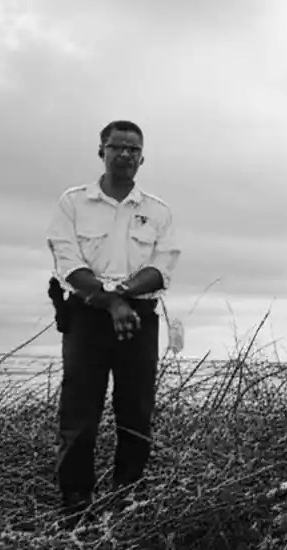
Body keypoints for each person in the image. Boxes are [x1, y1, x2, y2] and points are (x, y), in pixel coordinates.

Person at [45, 120, 181, 528]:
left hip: (138, 319)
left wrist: (122, 300)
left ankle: (127, 501)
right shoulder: (73, 203)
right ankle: (75, 507)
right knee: (79, 414)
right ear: (101, 151)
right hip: (86, 316)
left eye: (133, 149)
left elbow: (163, 266)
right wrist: (106, 301)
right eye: (116, 147)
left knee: (136, 412)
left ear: (143, 157)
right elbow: (67, 262)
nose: (125, 154)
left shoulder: (157, 211)